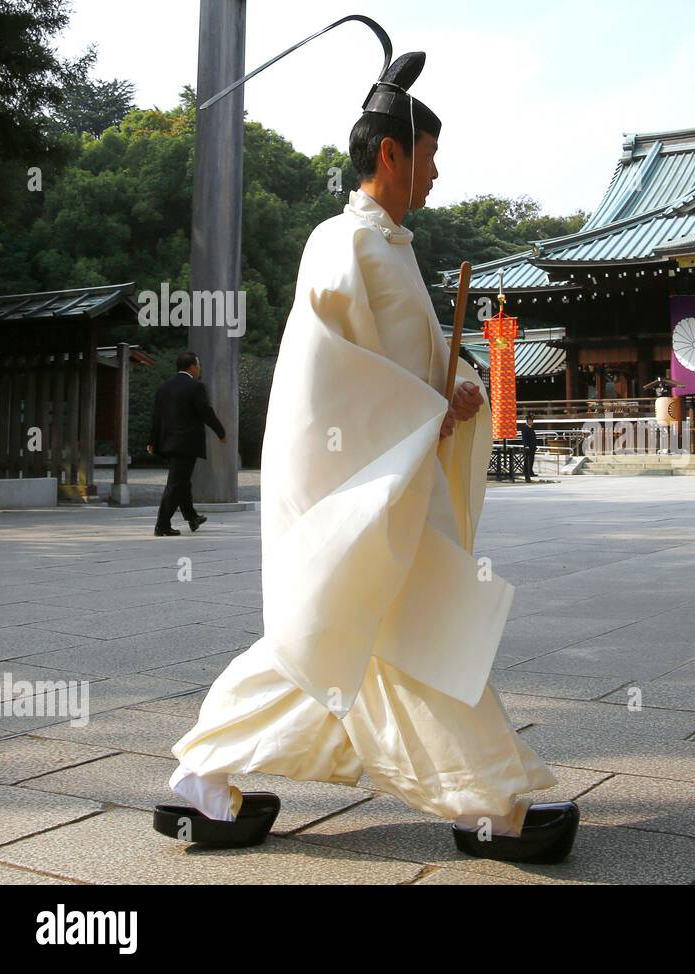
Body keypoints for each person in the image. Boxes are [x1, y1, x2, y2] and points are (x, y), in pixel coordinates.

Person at [153, 30, 576, 864]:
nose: (437, 172)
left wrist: (447, 389)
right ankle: (490, 804)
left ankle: (486, 799)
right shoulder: (340, 243)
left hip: (396, 477)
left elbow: (408, 366)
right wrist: (425, 406)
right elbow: (334, 377)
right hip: (356, 486)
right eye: (429, 154)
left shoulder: (389, 249)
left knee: (386, 634)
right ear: (391, 152)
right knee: (345, 633)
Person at [147, 350, 226, 537]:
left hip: (167, 443)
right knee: (176, 484)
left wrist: (151, 441)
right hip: (186, 443)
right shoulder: (195, 387)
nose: (199, 369)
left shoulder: (163, 387)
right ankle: (162, 525)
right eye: (198, 365)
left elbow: (156, 417)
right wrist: (220, 432)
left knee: (182, 482)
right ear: (192, 366)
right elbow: (206, 412)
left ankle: (192, 517)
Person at [521, 414, 538, 482]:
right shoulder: (525, 428)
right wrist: (526, 445)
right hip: (528, 447)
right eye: (530, 421)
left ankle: (530, 471)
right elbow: (524, 438)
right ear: (527, 421)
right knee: (527, 460)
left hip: (532, 446)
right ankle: (527, 473)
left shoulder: (531, 428)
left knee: (531, 460)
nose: (531, 422)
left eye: (532, 421)